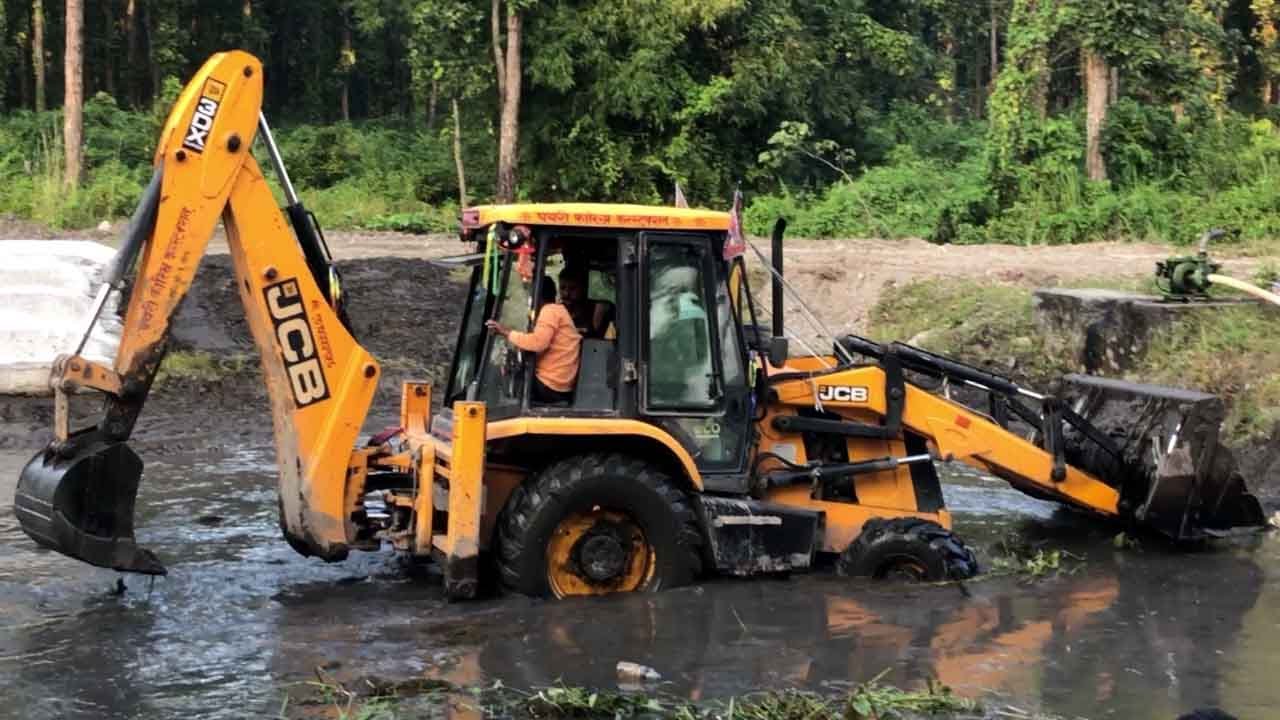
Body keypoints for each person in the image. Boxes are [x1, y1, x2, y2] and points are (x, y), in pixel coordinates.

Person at [486, 277, 581, 404]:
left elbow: (538, 343)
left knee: (499, 379)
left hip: (551, 384)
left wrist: (506, 332)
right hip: (558, 383)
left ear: (536, 295)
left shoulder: (550, 311)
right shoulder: (558, 311)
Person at [559, 265, 615, 339]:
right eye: (562, 288)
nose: (566, 293)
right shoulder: (557, 312)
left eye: (572, 288)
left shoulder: (597, 309)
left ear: (583, 288)